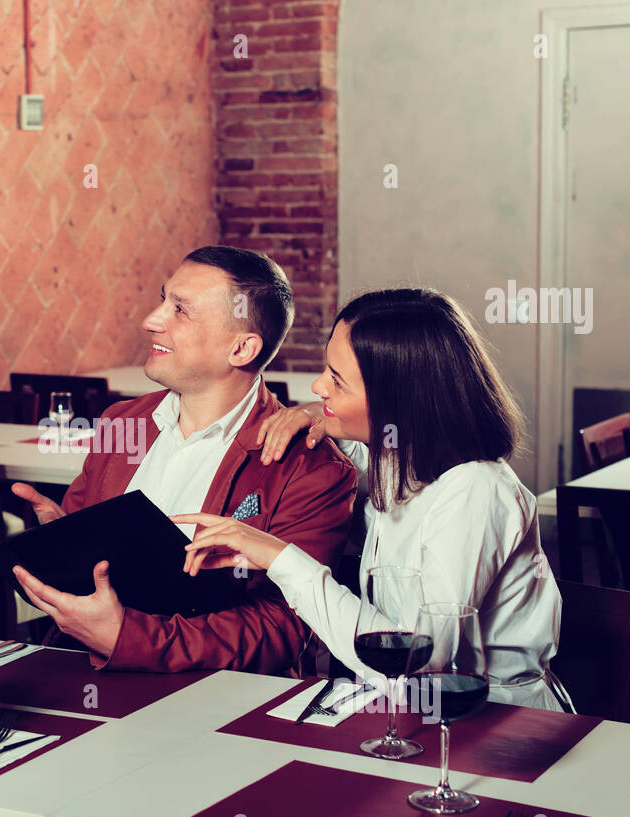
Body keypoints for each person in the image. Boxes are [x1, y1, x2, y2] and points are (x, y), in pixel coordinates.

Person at [176, 288, 567, 710]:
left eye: (337, 379)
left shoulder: (475, 490)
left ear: (400, 401)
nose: (318, 385)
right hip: (403, 709)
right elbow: (349, 441)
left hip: (496, 717)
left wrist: (279, 557)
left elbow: (423, 663)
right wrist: (314, 413)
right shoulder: (395, 456)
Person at [10, 246, 357, 675]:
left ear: (242, 348)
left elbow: (283, 629)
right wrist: (60, 552)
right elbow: (86, 586)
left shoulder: (312, 468)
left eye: (180, 310)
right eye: (163, 300)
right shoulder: (123, 422)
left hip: (216, 702)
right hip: (89, 678)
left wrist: (130, 639)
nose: (151, 320)